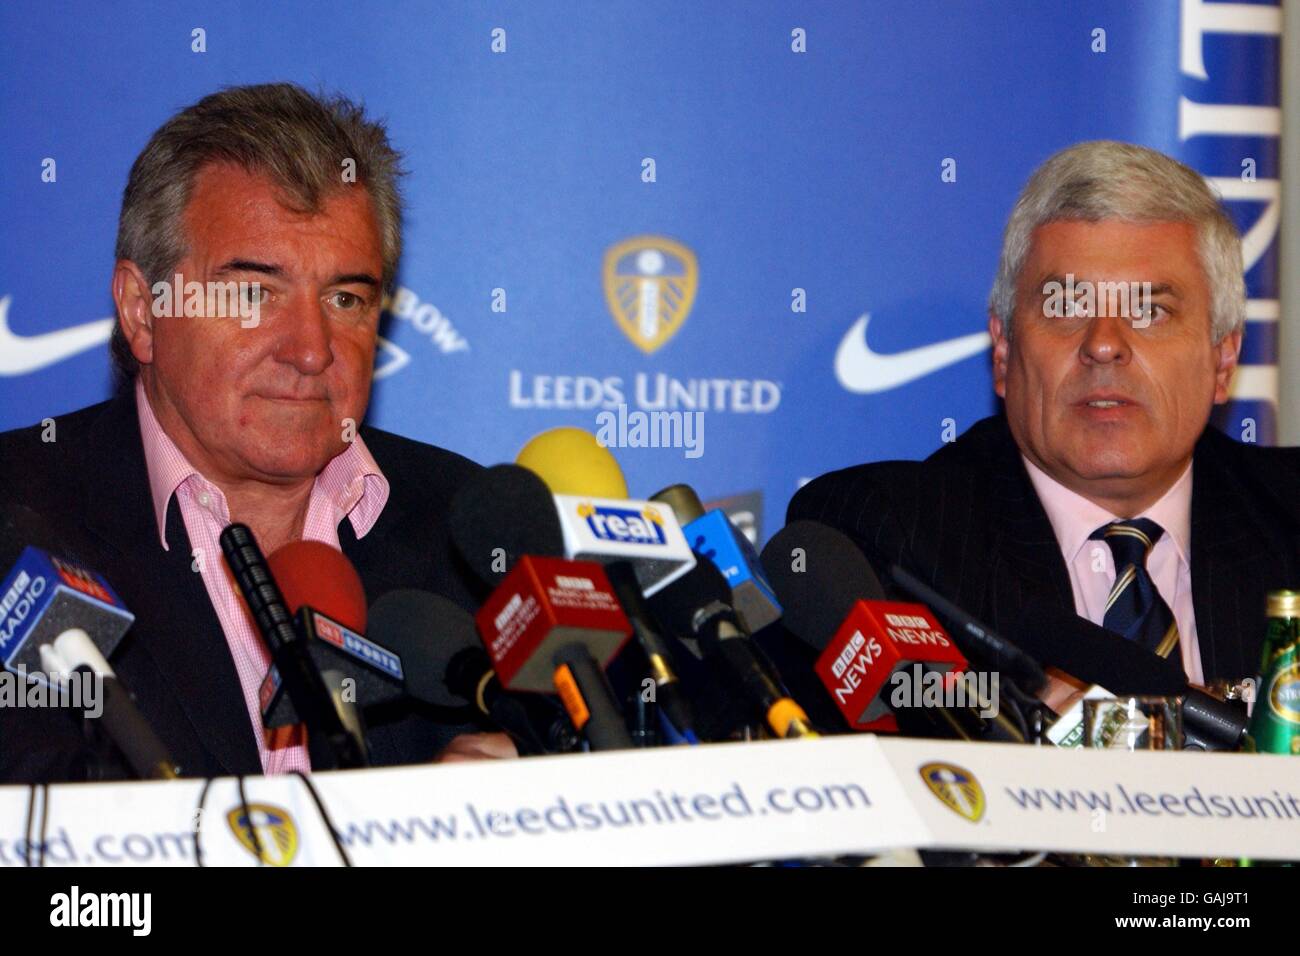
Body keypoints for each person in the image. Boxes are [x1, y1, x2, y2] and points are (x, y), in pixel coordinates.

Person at [0, 83, 514, 782]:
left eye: (345, 298)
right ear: (142, 311)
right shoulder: (19, 521)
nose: (310, 348)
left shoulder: (472, 528)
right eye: (253, 293)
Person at [789, 141, 1300, 712]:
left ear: (1223, 360)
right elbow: (899, 703)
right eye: (1064, 305)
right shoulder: (893, 535)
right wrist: (1021, 699)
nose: (1104, 344)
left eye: (1150, 310)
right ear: (1004, 351)